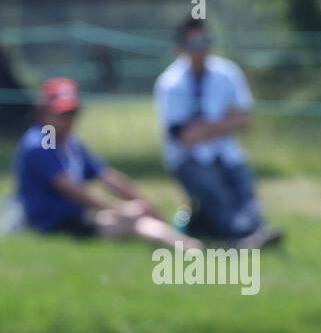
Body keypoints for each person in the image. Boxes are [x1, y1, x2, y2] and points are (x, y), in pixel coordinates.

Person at [13, 78, 199, 249]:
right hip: (54, 223)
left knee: (135, 218)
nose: (69, 121)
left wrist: (141, 201)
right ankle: (183, 245)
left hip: (77, 216)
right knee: (130, 221)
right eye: (62, 115)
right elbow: (70, 189)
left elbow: (106, 176)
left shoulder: (70, 144)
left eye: (73, 113)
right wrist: (117, 208)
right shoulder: (39, 144)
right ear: (44, 113)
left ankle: (182, 244)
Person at [154, 18, 280, 248]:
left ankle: (254, 231)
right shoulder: (170, 83)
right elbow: (183, 137)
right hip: (187, 158)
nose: (201, 49)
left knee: (245, 192)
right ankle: (239, 236)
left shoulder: (228, 73)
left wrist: (205, 127)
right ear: (180, 48)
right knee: (216, 193)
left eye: (206, 42)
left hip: (226, 152)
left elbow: (244, 119)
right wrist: (223, 123)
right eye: (194, 44)